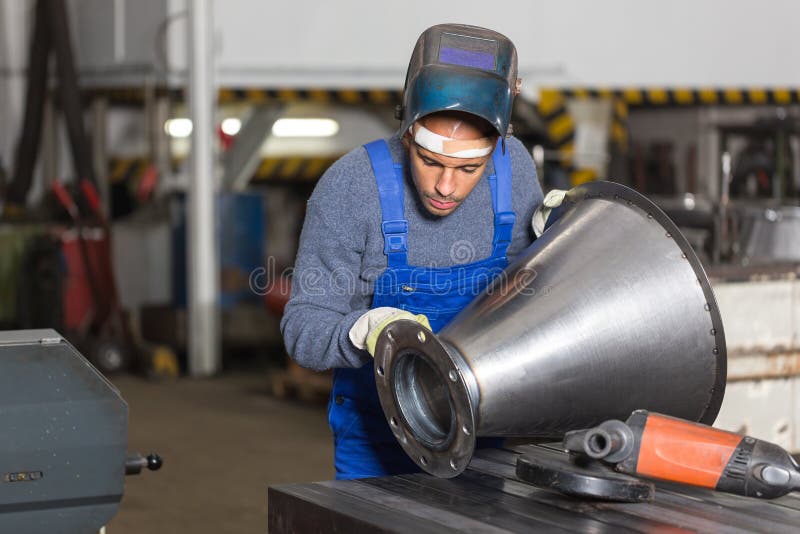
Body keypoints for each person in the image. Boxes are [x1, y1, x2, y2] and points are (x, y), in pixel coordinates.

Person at [281, 23, 545, 480]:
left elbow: (525, 296)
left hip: (484, 434)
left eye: (469, 168)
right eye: (430, 161)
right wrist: (361, 330)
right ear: (406, 131)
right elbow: (303, 329)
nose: (446, 186)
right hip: (377, 441)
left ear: (499, 146)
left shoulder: (515, 169)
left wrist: (559, 240)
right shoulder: (350, 188)